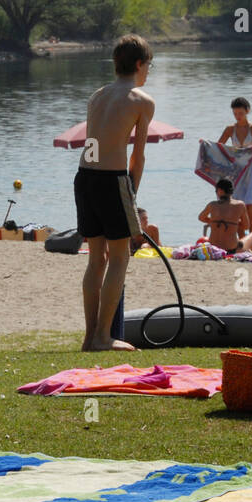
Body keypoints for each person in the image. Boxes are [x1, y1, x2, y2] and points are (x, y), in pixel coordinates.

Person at [74, 34, 155, 352]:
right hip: (112, 180)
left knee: (97, 259)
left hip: (85, 178)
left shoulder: (97, 96)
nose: (148, 71)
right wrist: (132, 191)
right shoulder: (142, 100)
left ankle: (90, 336)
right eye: (149, 65)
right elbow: (138, 155)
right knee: (120, 258)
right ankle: (103, 337)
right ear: (139, 64)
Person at [216, 97, 252, 234]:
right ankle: (240, 240)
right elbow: (218, 147)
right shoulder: (230, 129)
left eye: (240, 113)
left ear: (247, 111)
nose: (238, 116)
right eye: (235, 114)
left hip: (251, 168)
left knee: (250, 206)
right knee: (238, 204)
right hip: (237, 169)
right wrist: (205, 145)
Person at [198, 178, 252, 253]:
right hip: (231, 249)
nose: (216, 192)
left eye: (216, 190)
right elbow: (246, 226)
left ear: (220, 191)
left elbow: (201, 218)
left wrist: (214, 221)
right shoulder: (240, 205)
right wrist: (234, 222)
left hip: (213, 248)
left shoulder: (212, 205)